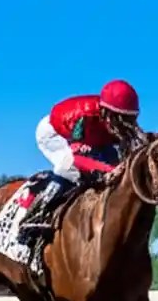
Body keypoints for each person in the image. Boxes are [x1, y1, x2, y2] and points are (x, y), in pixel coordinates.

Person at [19, 79, 146, 240]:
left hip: (92, 136)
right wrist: (108, 170)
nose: (127, 125)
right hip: (55, 134)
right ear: (108, 113)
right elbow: (77, 158)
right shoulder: (83, 119)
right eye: (122, 119)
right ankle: (35, 214)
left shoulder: (109, 119)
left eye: (130, 119)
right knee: (68, 168)